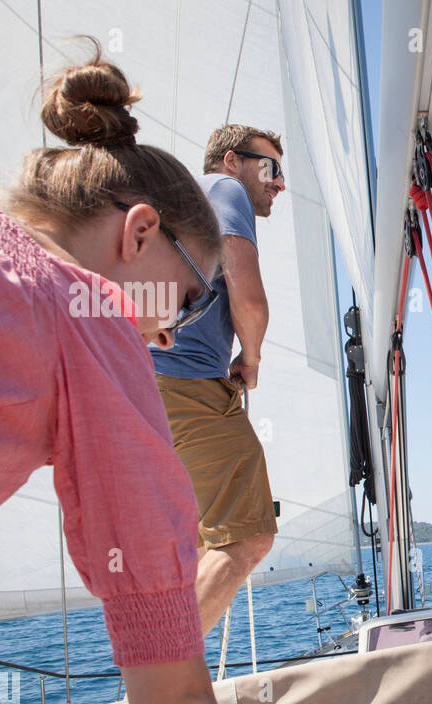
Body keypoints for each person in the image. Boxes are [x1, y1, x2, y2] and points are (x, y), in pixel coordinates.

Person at [0, 45, 263, 704]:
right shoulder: (93, 318)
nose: (175, 333)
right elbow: (173, 700)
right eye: (187, 298)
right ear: (140, 232)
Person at [151, 125, 285, 637]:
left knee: (203, 544)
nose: (278, 184)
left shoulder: (181, 203)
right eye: (269, 168)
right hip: (185, 385)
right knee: (247, 538)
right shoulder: (225, 191)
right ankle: (163, 676)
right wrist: (249, 360)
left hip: (142, 384)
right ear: (232, 161)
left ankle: (160, 684)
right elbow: (248, 300)